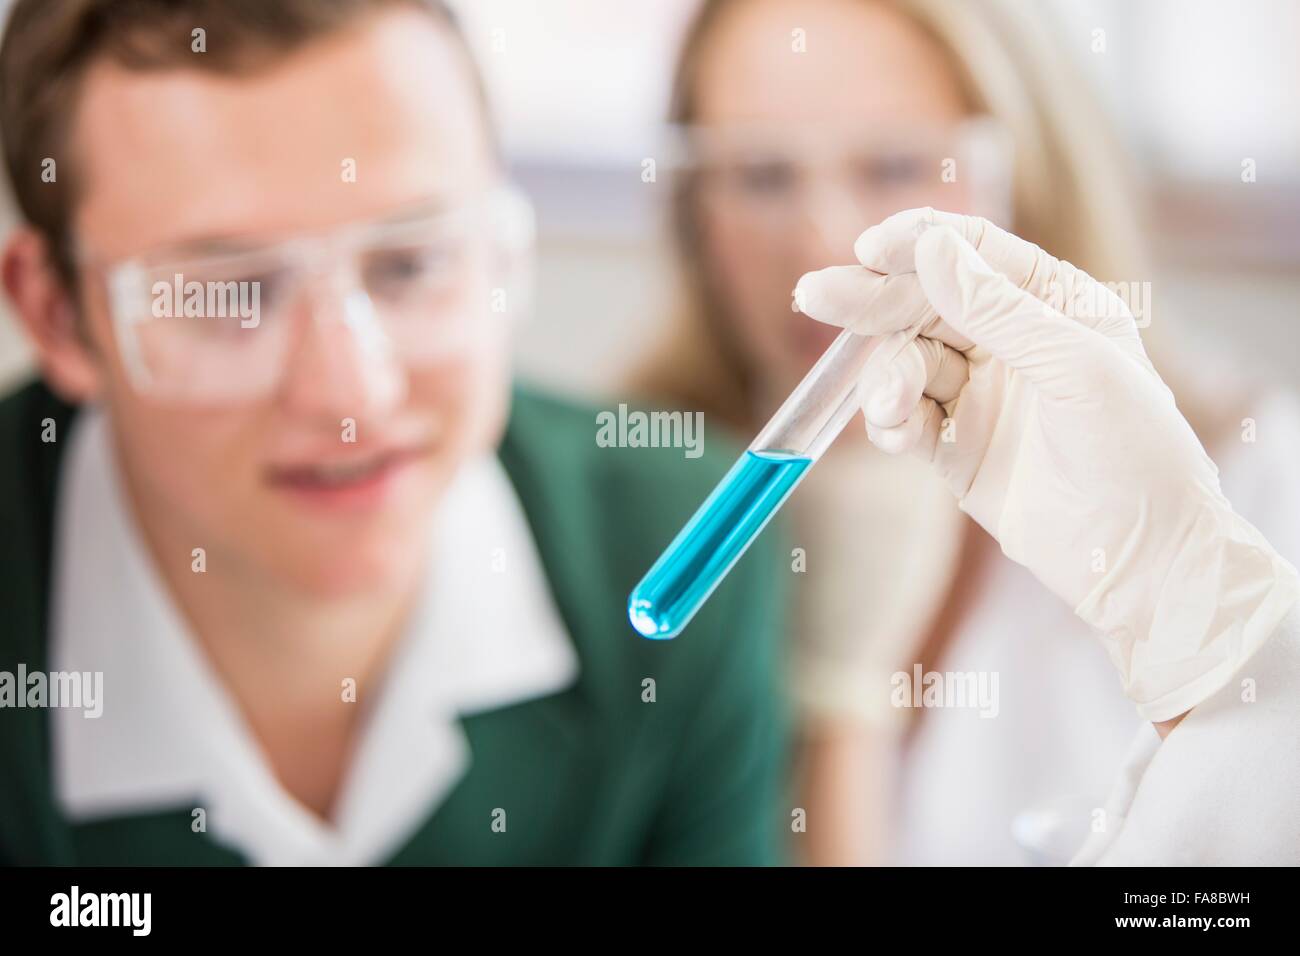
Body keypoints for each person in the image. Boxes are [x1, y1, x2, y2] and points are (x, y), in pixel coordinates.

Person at [0, 0, 790, 866]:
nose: (351, 393)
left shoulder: (684, 542)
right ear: (58, 316)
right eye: (232, 293)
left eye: (410, 263)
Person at [636, 0, 1300, 864]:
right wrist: (841, 704)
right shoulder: (628, 493)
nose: (826, 235)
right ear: (694, 207)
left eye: (899, 164)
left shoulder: (1249, 482)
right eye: (761, 175)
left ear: (1031, 175)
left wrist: (1199, 639)